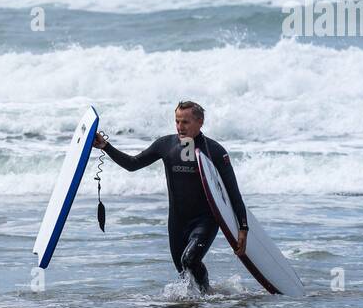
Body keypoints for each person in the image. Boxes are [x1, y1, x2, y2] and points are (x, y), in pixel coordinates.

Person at [92, 100, 247, 293]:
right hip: (177, 222)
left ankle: (208, 298)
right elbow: (133, 164)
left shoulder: (215, 152)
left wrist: (243, 228)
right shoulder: (165, 145)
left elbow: (232, 191)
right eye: (177, 121)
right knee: (184, 272)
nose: (180, 127)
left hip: (205, 220)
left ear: (200, 122)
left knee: (190, 260)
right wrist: (106, 146)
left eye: (185, 122)